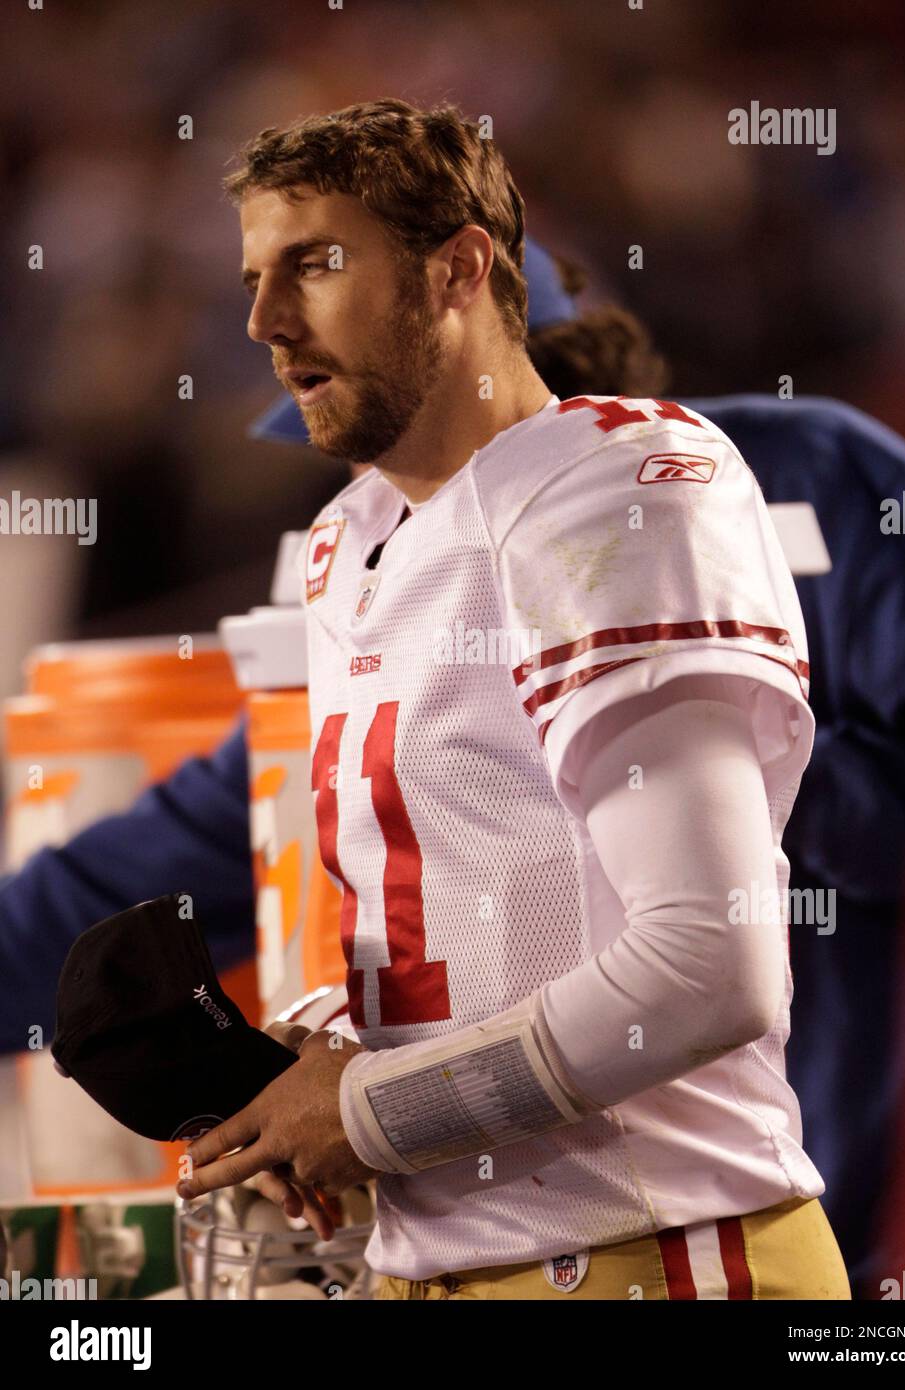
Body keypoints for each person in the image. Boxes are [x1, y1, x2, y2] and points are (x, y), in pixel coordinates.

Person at [174, 97, 848, 1301]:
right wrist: (330, 1053)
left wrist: (373, 1110)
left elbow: (708, 965)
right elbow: (505, 918)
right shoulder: (353, 539)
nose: (266, 322)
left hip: (652, 1254)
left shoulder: (617, 488)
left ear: (459, 268)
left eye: (315, 264)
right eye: (253, 278)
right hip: (439, 1261)